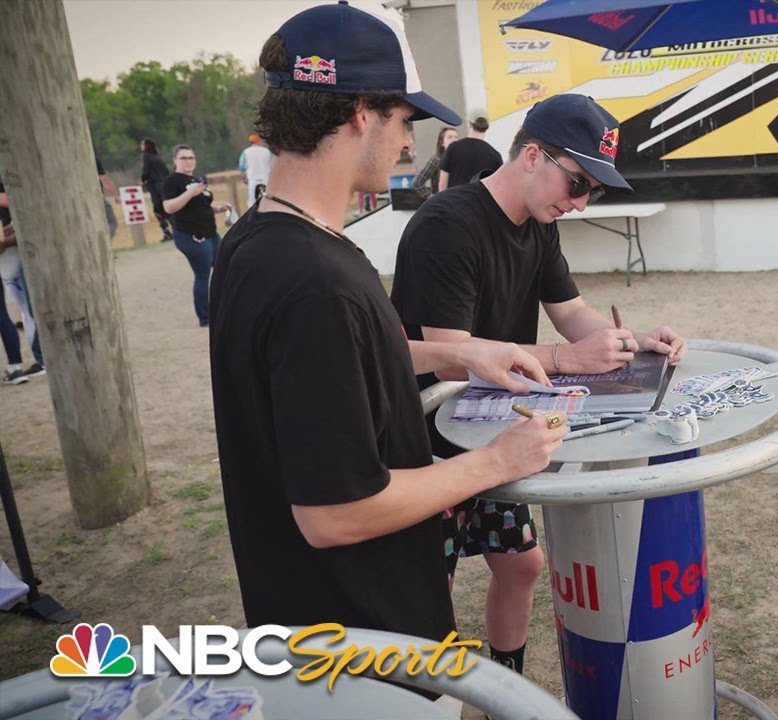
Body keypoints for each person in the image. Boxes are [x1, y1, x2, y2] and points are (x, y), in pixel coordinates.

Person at [209, 1, 567, 650]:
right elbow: (335, 513)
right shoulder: (314, 281)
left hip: (311, 619)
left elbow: (332, 372)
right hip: (364, 644)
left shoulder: (261, 243)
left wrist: (463, 354)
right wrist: (495, 461)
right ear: (358, 113)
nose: (409, 142)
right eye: (404, 119)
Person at [391, 93, 687, 677]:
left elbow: (572, 310)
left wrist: (631, 342)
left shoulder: (538, 223)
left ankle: (508, 685)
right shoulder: (446, 225)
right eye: (577, 183)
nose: (580, 203)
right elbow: (453, 359)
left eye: (592, 192)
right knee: (426, 592)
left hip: (496, 433)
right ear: (532, 155)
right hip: (429, 441)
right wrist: (564, 358)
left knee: (522, 567)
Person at [162, 144, 232, 327]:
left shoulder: (197, 179)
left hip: (210, 232)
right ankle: (205, 317)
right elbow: (169, 207)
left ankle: (225, 307)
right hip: (190, 235)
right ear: (175, 160)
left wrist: (218, 209)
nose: (188, 161)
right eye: (184, 158)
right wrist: (190, 193)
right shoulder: (172, 181)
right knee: (202, 274)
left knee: (227, 266)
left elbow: (199, 206)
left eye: (191, 157)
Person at [0, 179, 43, 382]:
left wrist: (4, 239)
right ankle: (35, 359)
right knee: (27, 311)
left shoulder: (23, 192)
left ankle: (41, 359)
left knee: (33, 311)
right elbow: (19, 222)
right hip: (22, 256)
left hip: (31, 256)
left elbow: (28, 222)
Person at [438, 110, 502, 190]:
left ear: (469, 124)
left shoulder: (453, 147)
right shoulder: (495, 155)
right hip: (479, 201)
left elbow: (443, 184)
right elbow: (497, 188)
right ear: (488, 125)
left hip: (454, 201)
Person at [139, 138, 173, 241]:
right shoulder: (158, 157)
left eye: (142, 144)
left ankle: (167, 232)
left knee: (157, 210)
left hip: (155, 186)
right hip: (164, 185)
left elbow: (146, 171)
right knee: (166, 209)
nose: (140, 146)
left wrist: (142, 180)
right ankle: (176, 230)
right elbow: (166, 172)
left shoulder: (147, 157)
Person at [412, 126, 458, 198]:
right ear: (442, 142)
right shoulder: (436, 160)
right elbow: (418, 182)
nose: (454, 140)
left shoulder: (460, 159)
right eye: (450, 137)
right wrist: (432, 198)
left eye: (456, 137)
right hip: (443, 204)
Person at [237, 133, 274, 206]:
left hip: (253, 181)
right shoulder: (267, 151)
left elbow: (241, 167)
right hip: (266, 181)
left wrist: (244, 178)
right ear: (259, 141)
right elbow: (272, 165)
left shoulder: (246, 152)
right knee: (268, 203)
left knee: (252, 204)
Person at [96, 157, 118, 241]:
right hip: (98, 198)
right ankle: (106, 245)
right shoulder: (95, 160)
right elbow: (105, 181)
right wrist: (116, 195)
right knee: (112, 223)